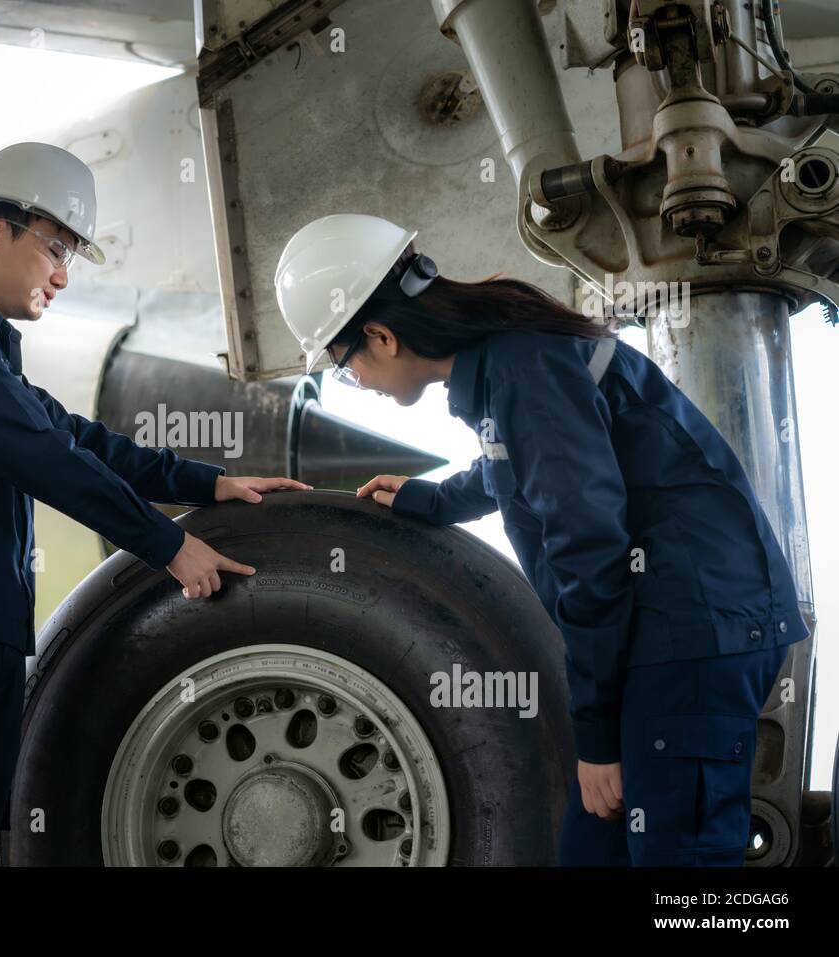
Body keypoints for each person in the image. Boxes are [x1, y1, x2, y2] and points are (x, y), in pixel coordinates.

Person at [273, 213, 809, 866]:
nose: (358, 383)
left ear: (380, 336)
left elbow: (590, 549)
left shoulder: (523, 364)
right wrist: (433, 498)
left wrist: (597, 738)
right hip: (666, 632)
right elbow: (524, 466)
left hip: (693, 637)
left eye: (345, 366)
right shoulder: (509, 361)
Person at [0, 141, 309, 866]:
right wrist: (169, 546)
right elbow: (40, 455)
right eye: (53, 248)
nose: (61, 275)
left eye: (70, 257)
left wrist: (207, 483)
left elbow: (72, 436)